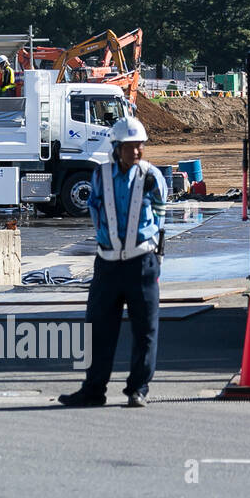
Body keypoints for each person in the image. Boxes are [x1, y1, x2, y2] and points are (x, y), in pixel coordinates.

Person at [59, 116, 167, 408]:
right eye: (130, 146)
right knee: (97, 330)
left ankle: (138, 389)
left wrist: (154, 248)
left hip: (141, 263)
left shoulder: (151, 176)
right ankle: (93, 390)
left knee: (145, 329)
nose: (137, 151)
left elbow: (160, 212)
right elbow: (94, 206)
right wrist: (106, 237)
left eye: (140, 146)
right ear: (116, 148)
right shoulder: (100, 175)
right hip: (107, 264)